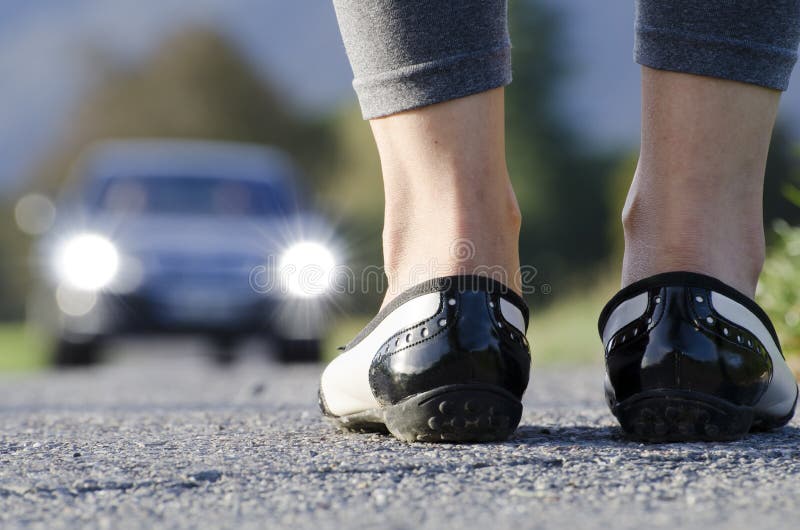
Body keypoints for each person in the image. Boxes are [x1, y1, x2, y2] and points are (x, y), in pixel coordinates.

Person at [318, 0, 800, 442]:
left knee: (446, 241)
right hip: (717, 335)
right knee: (696, 245)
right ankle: (706, 297)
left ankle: (440, 289)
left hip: (430, 334)